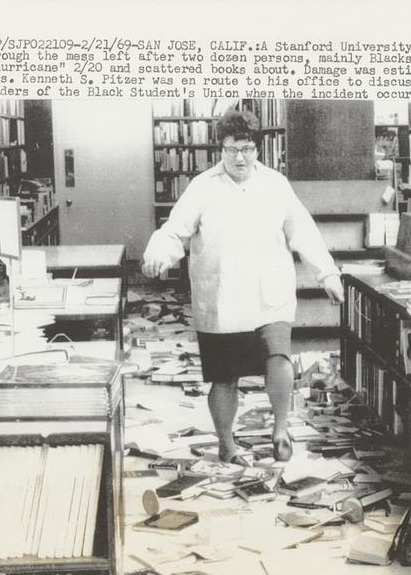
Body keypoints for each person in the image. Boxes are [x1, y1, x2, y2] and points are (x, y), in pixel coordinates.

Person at [142, 109, 344, 465]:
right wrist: (159, 254)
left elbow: (304, 232)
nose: (240, 158)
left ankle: (280, 430)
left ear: (258, 149)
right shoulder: (202, 187)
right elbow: (175, 231)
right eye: (232, 149)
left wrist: (326, 274)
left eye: (248, 149)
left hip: (270, 295)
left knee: (279, 358)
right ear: (220, 148)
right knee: (224, 378)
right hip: (221, 300)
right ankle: (227, 443)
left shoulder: (275, 185)